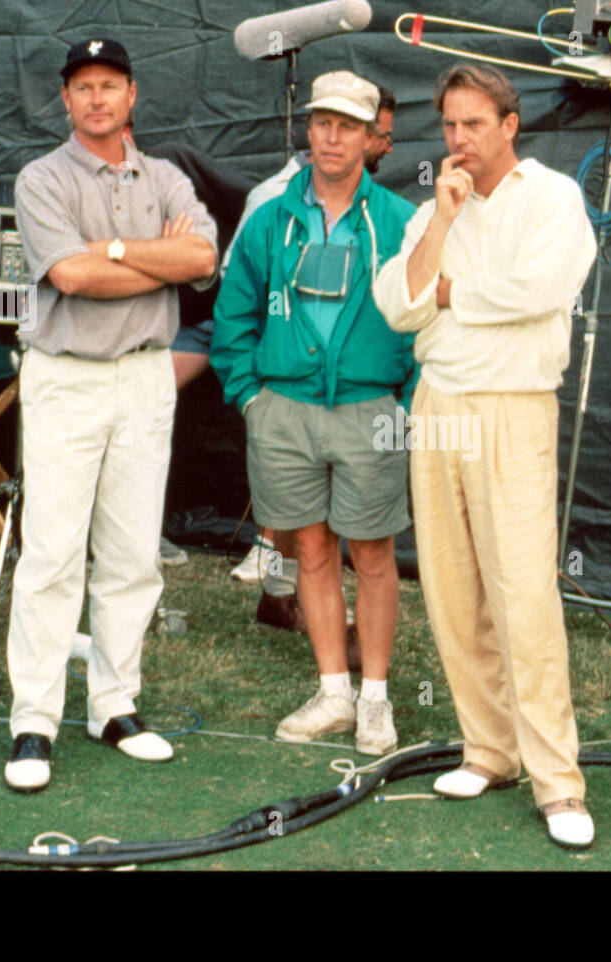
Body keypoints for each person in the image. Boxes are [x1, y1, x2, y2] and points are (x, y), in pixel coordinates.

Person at [374, 63, 598, 849]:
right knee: (447, 579)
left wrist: (446, 294)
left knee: (522, 594)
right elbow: (396, 304)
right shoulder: (440, 203)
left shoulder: (554, 197)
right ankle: (489, 749)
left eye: (474, 124)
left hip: (512, 407)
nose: (459, 140)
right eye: (449, 126)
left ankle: (558, 782)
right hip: (437, 405)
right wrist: (439, 227)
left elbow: (537, 288)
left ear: (510, 124)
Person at [4, 37, 218, 791]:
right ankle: (34, 718)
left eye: (110, 85)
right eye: (82, 87)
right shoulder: (41, 178)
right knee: (53, 554)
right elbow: (71, 275)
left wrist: (115, 249)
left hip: (145, 377)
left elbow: (201, 261)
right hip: (66, 378)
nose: (96, 98)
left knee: (130, 554)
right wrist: (142, 256)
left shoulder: (166, 177)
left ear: (133, 97)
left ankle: (114, 705)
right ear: (65, 101)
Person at [210, 70, 416, 757]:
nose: (332, 137)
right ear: (310, 128)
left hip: (368, 407)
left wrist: (406, 404)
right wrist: (250, 396)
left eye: (348, 126)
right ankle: (333, 690)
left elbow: (426, 322)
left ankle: (377, 701)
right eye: (322, 122)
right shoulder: (272, 217)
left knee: (375, 554)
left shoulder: (399, 220)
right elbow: (233, 312)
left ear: (371, 139)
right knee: (313, 551)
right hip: (285, 410)